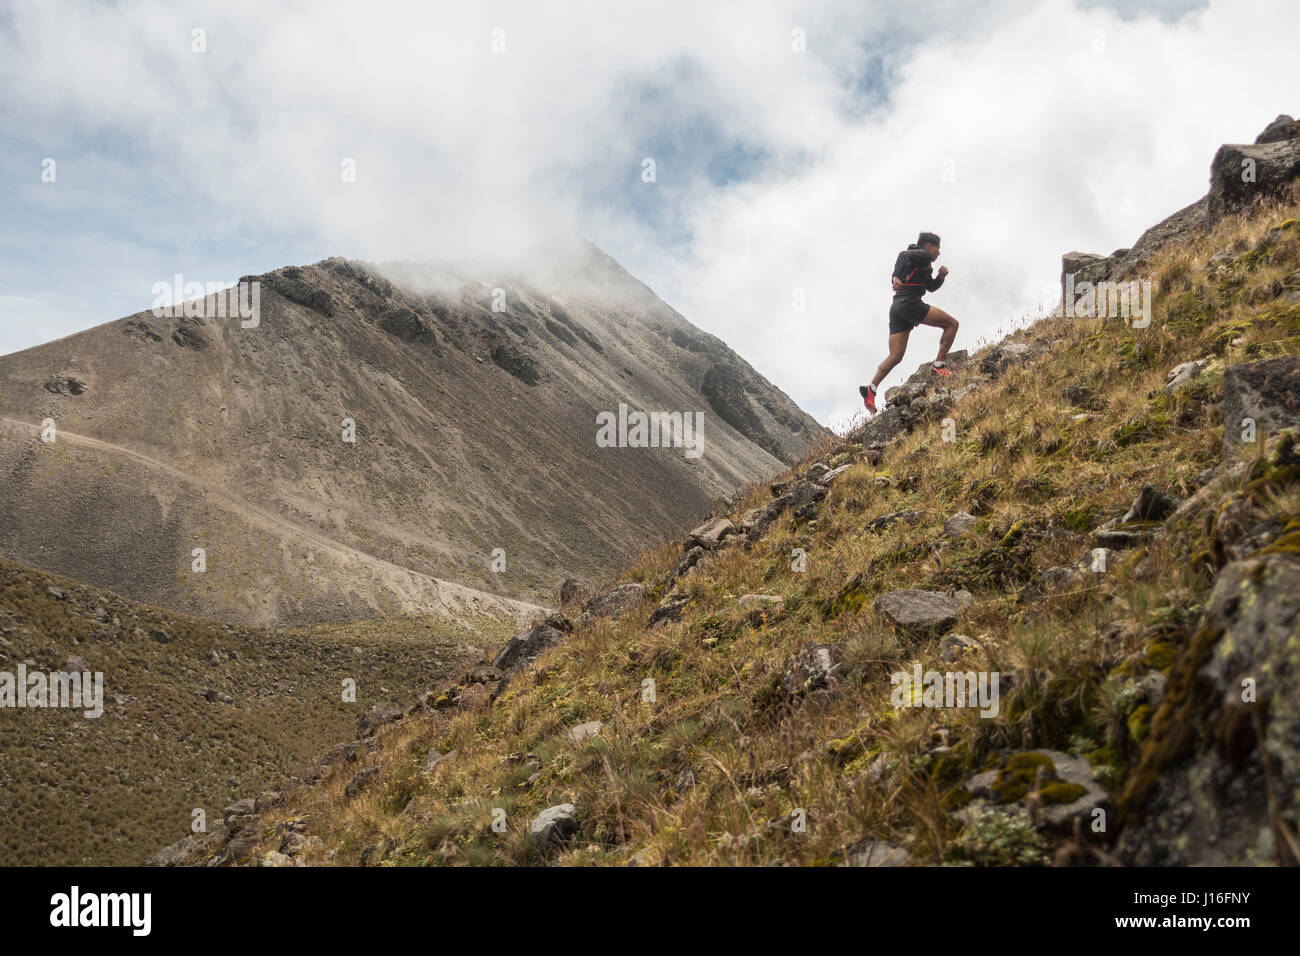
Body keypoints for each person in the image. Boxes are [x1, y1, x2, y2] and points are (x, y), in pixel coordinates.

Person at [860, 231, 959, 414]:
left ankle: (871, 388)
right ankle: (939, 366)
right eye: (938, 248)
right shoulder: (920, 254)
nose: (939, 253)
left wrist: (940, 278)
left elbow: (929, 287)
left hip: (897, 307)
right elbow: (903, 255)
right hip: (910, 303)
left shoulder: (924, 263)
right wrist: (896, 276)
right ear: (928, 246)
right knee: (952, 324)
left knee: (895, 355)